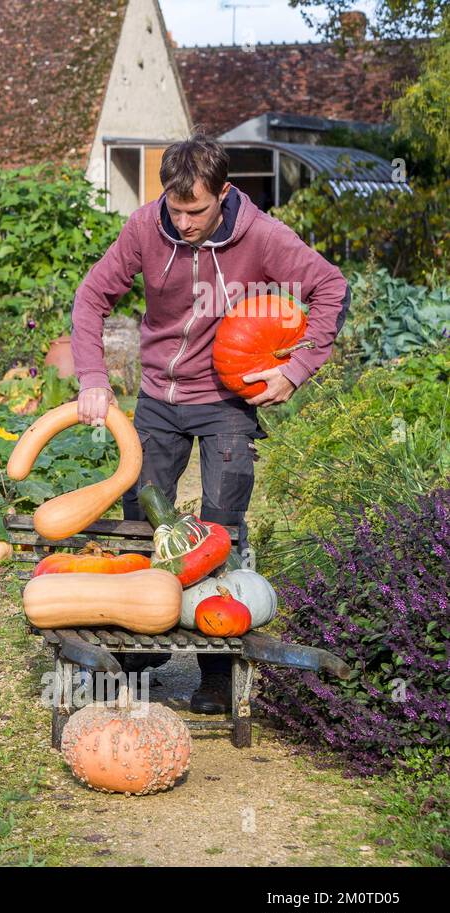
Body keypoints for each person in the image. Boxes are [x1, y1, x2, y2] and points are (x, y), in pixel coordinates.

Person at [70, 133, 350, 714]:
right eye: (175, 208)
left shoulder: (262, 236)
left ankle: (217, 673)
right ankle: (136, 659)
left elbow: (331, 288)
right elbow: (92, 296)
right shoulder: (146, 228)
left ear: (223, 194)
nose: (185, 221)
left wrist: (295, 372)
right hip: (156, 399)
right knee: (146, 520)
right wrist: (93, 377)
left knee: (222, 530)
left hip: (226, 401)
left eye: (196, 210)